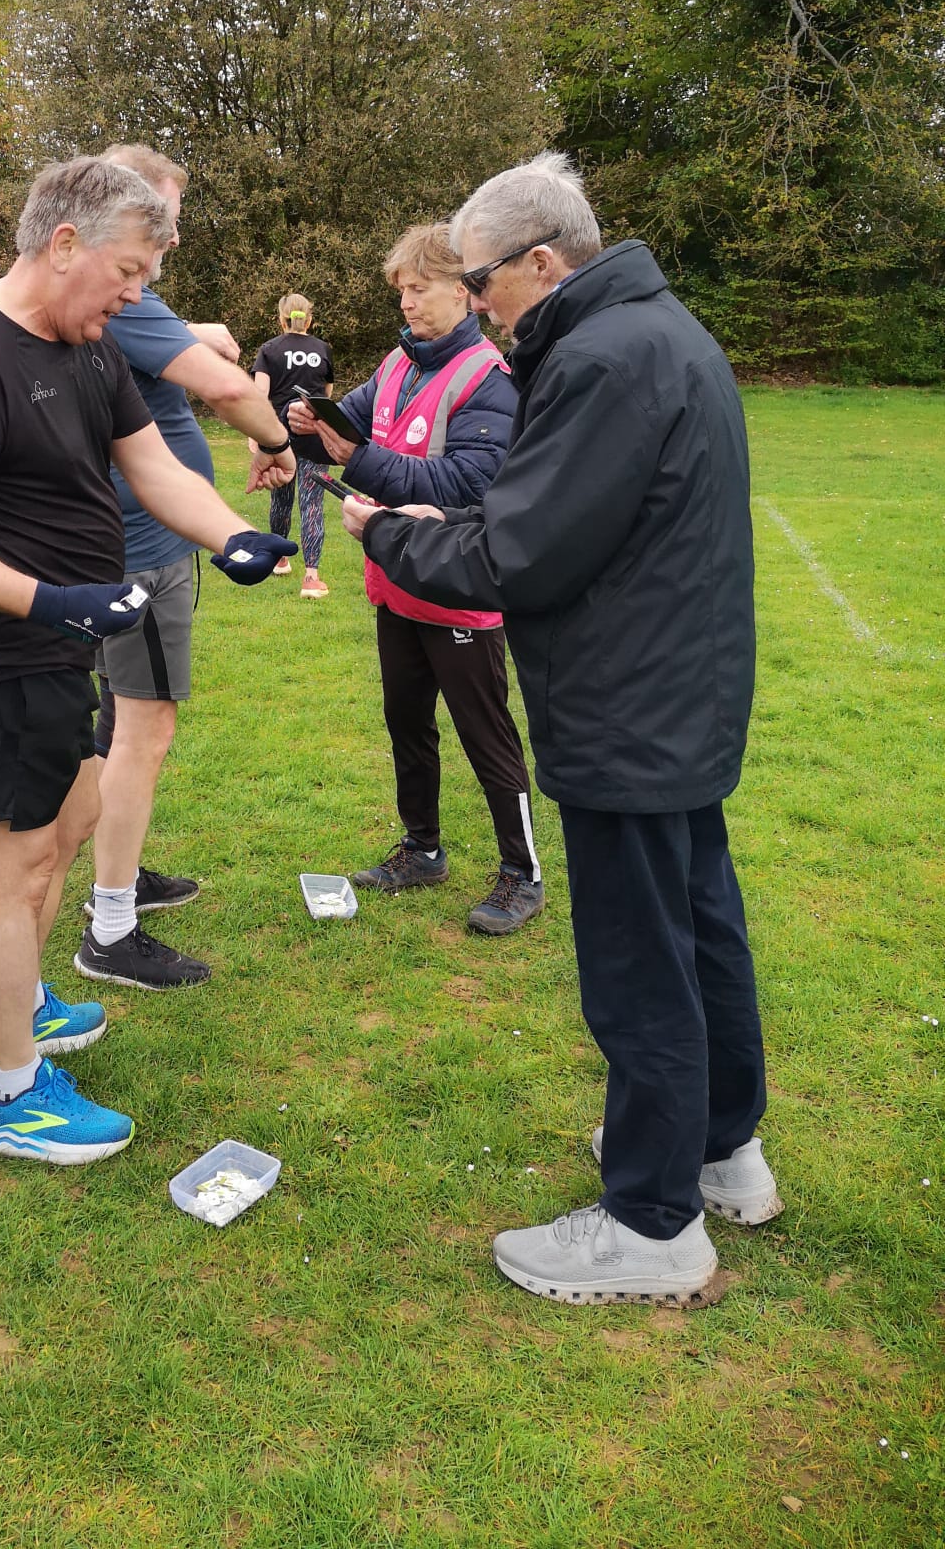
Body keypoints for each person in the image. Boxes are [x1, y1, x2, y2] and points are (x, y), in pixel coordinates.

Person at [346, 151, 774, 1306]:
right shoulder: (660, 332)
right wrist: (441, 518)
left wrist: (388, 532)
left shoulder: (602, 356)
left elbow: (519, 555)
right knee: (699, 923)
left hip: (628, 703)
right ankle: (720, 1149)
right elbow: (565, 518)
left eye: (482, 281)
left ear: (542, 261)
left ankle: (652, 1221)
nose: (477, 304)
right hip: (679, 693)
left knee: (641, 958)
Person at [0, 157, 294, 1166]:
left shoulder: (90, 345)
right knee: (15, 865)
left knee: (70, 822)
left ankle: (20, 1004)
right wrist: (53, 599)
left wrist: (231, 534)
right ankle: (12, 1093)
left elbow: (151, 464)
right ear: (64, 244)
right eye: (129, 272)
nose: (137, 294)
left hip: (53, 650)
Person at [80, 144, 299, 991]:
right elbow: (232, 387)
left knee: (119, 726)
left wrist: (200, 330)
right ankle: (109, 926)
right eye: (160, 220)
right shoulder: (123, 299)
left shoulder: (126, 298)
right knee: (146, 729)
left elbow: (205, 347)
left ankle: (122, 875)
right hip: (143, 551)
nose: (170, 239)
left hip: (141, 544)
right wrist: (277, 444)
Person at [289, 222, 541, 933]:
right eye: (401, 289)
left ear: (463, 292)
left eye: (420, 288)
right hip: (396, 584)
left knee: (487, 738)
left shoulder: (489, 378)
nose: (406, 302)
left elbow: (467, 484)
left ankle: (522, 874)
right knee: (406, 724)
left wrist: (358, 458)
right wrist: (299, 425)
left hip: (460, 591)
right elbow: (348, 427)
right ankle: (422, 849)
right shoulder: (399, 362)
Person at [251, 294, 334, 599]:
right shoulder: (322, 349)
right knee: (312, 504)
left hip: (279, 436)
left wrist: (255, 433)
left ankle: (280, 559)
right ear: (309, 320)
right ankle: (311, 578)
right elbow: (326, 394)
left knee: (281, 500)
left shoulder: (269, 349)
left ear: (281, 319)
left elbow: (259, 395)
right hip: (314, 434)